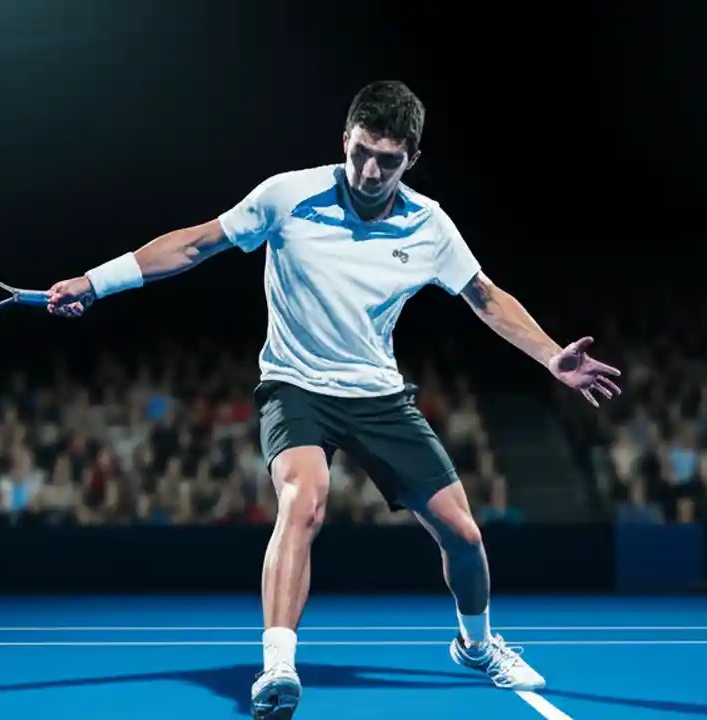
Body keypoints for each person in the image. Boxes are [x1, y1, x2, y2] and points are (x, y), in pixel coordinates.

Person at [45, 80, 622, 719]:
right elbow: (193, 244)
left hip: (377, 394)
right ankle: (278, 666)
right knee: (304, 503)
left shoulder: (430, 225)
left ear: (412, 160)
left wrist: (550, 356)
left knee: (464, 535)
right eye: (362, 153)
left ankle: (476, 645)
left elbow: (484, 296)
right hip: (296, 386)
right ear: (343, 141)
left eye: (389, 160)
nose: (371, 171)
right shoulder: (285, 196)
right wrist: (97, 282)